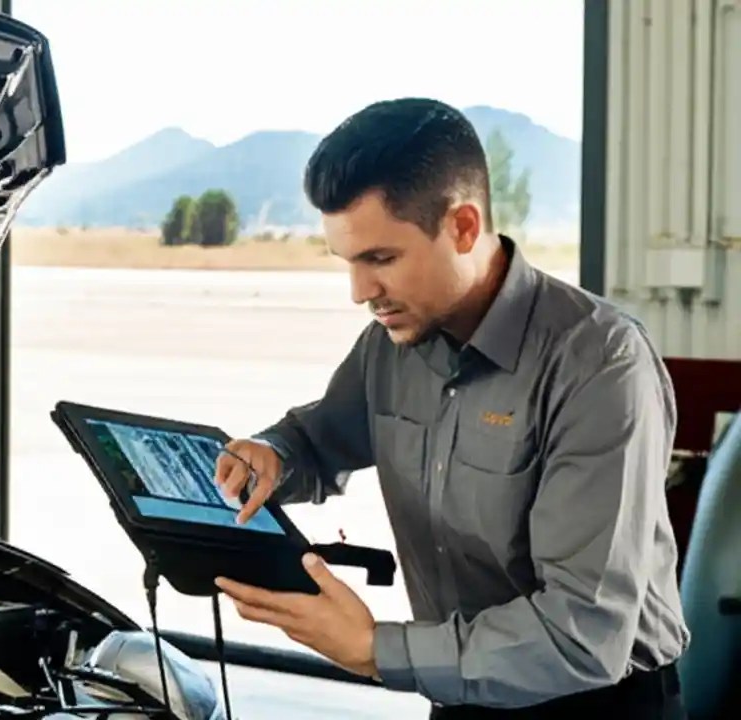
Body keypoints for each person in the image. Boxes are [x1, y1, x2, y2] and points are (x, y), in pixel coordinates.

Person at [212, 97, 689, 718]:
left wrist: (372, 649)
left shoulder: (599, 363)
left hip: (598, 704)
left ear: (463, 227)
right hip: (457, 694)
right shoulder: (392, 342)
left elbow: (583, 633)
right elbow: (317, 439)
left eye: (381, 259)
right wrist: (271, 456)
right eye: (348, 262)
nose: (360, 293)